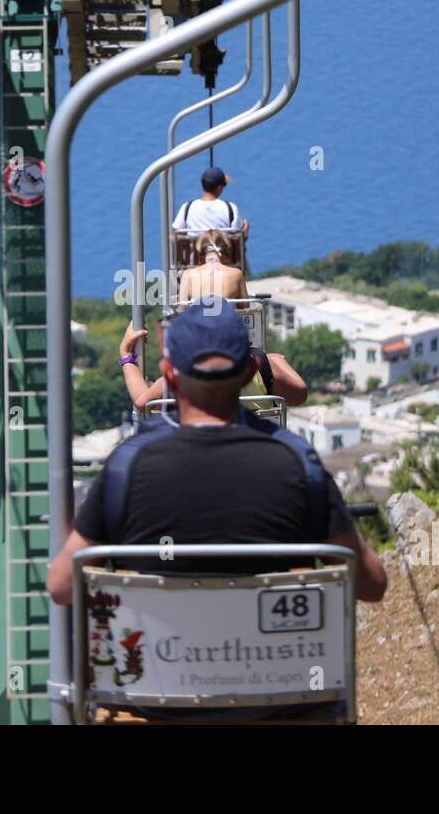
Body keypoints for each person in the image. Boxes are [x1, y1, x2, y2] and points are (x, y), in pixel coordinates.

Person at [49, 297, 386, 606]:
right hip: (274, 662)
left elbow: (62, 586)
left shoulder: (128, 465)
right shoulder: (297, 462)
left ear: (169, 375)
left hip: (157, 664)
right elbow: (371, 585)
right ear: (251, 370)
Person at [117, 318, 307, 413]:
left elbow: (143, 402)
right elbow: (300, 395)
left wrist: (126, 356)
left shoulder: (185, 374)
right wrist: (275, 360)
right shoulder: (262, 367)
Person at [171, 165, 250, 239]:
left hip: (193, 254)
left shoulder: (187, 207)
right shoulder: (230, 208)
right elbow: (236, 236)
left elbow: (175, 235)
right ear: (219, 188)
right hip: (222, 253)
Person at [177, 230, 248, 301]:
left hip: (199, 312)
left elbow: (182, 309)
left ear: (200, 251)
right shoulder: (237, 274)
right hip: (226, 312)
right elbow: (245, 307)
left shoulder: (187, 275)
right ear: (225, 250)